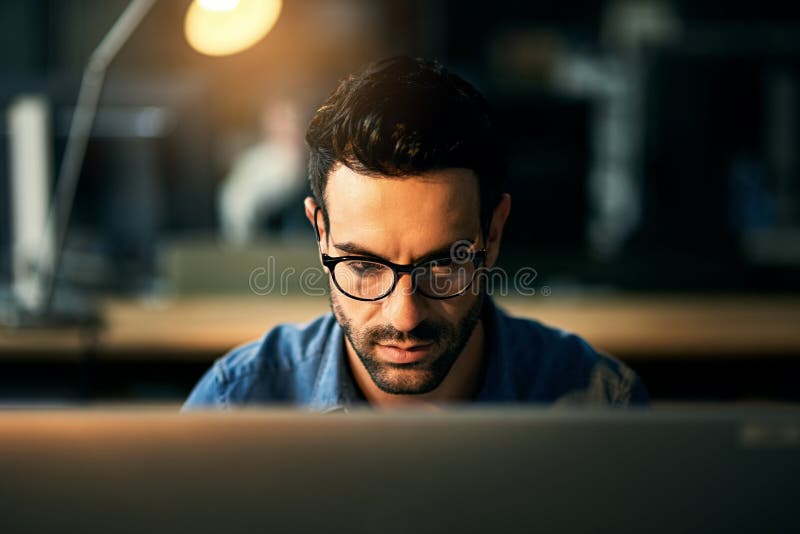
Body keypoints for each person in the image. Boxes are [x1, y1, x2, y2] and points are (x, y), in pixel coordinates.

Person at [184, 56, 649, 410]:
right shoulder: (237, 402)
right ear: (320, 232)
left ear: (494, 232)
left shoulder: (599, 405)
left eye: (443, 265)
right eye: (363, 266)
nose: (404, 317)